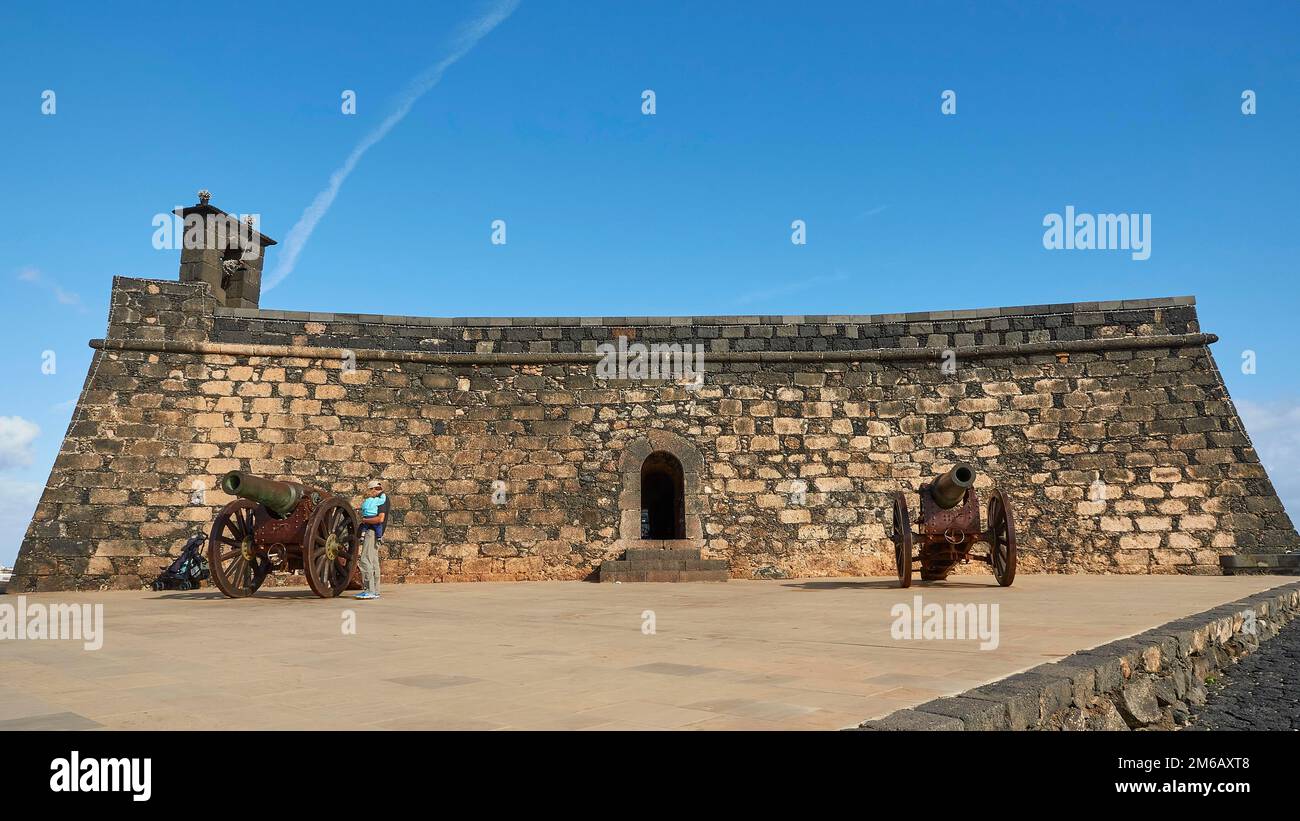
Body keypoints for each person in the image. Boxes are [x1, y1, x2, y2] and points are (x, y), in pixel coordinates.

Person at [355, 479, 386, 600]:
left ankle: (369, 590)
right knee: (373, 561)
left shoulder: (380, 500)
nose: (369, 493)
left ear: (373, 489)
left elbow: (380, 519)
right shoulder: (381, 499)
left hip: (371, 532)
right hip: (374, 532)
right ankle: (375, 590)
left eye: (370, 490)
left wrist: (364, 520)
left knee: (365, 560)